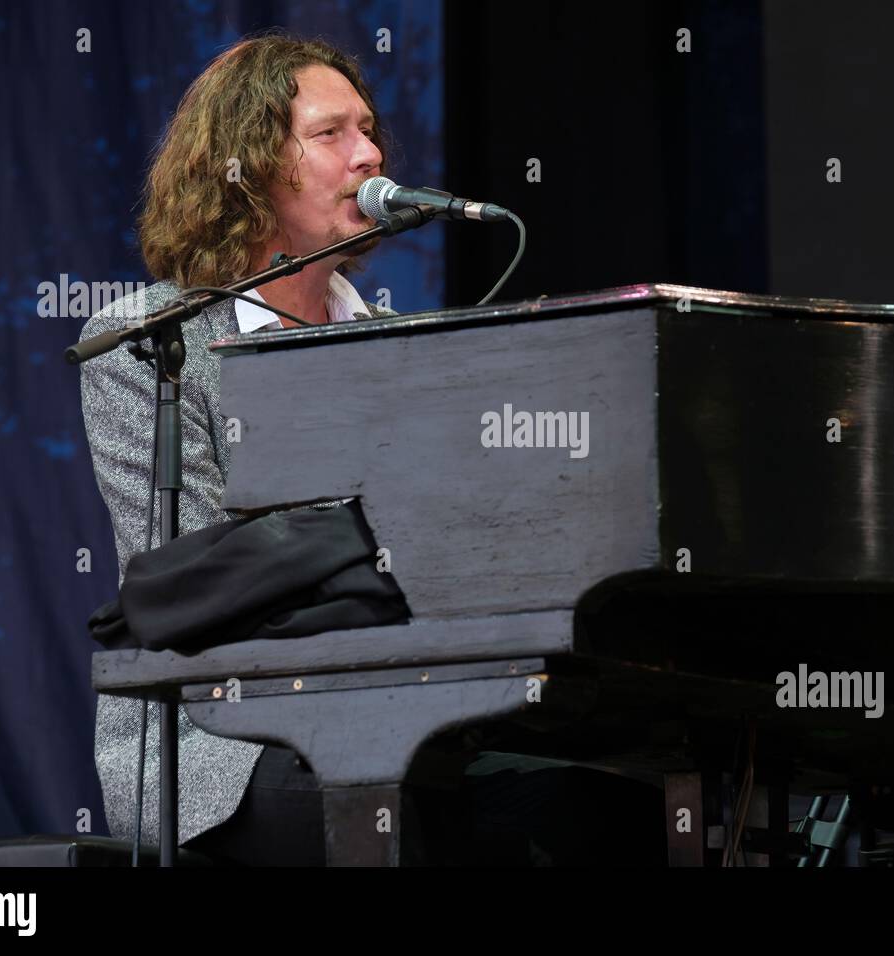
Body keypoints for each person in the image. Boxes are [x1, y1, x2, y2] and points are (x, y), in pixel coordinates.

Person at [79, 32, 663, 866]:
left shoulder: (401, 345)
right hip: (222, 740)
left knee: (609, 810)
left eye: (369, 128)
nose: (372, 154)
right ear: (244, 166)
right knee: (404, 824)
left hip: (412, 710)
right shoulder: (148, 341)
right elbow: (188, 580)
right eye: (331, 134)